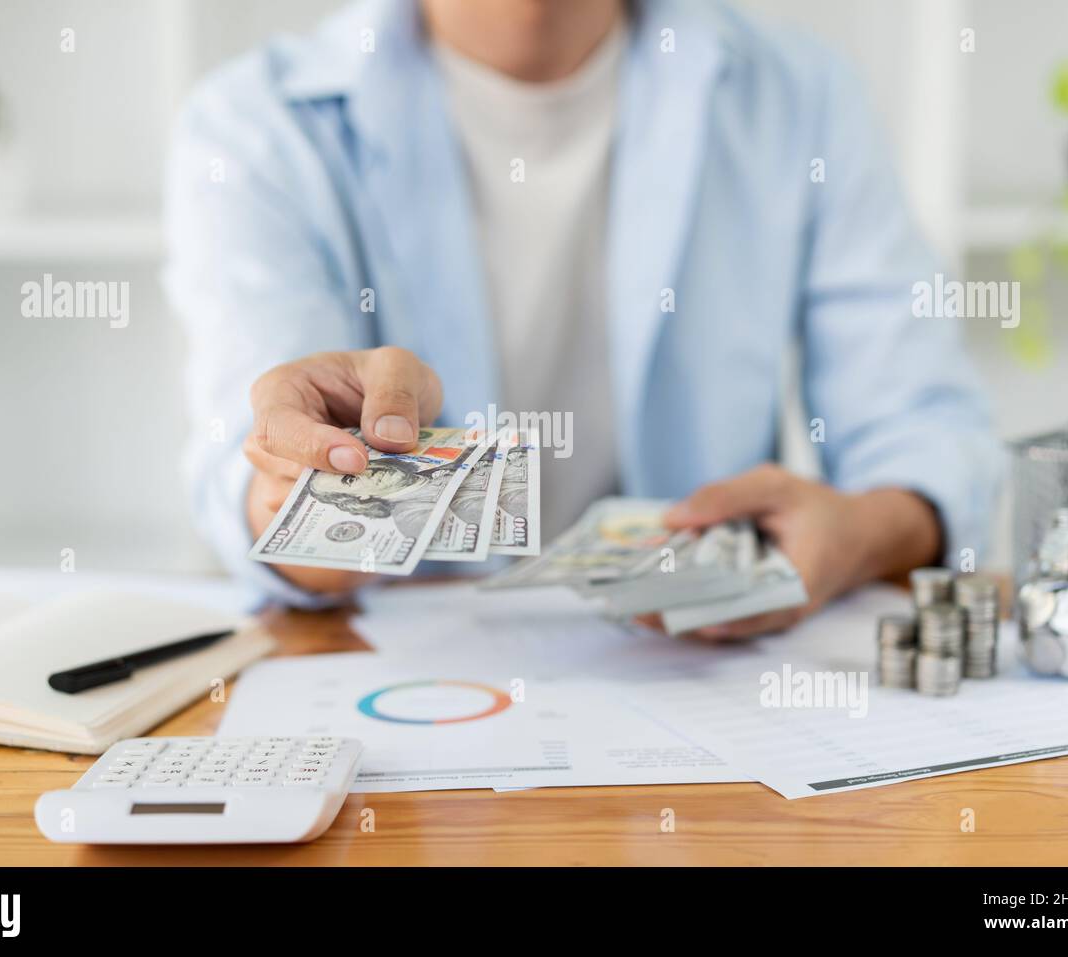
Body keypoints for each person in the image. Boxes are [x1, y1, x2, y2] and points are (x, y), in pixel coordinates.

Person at [164, 0, 1000, 639]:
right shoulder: (253, 126)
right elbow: (249, 480)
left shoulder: (801, 95)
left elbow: (922, 425)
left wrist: (861, 533)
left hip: (710, 689)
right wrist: (300, 502)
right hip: (399, 693)